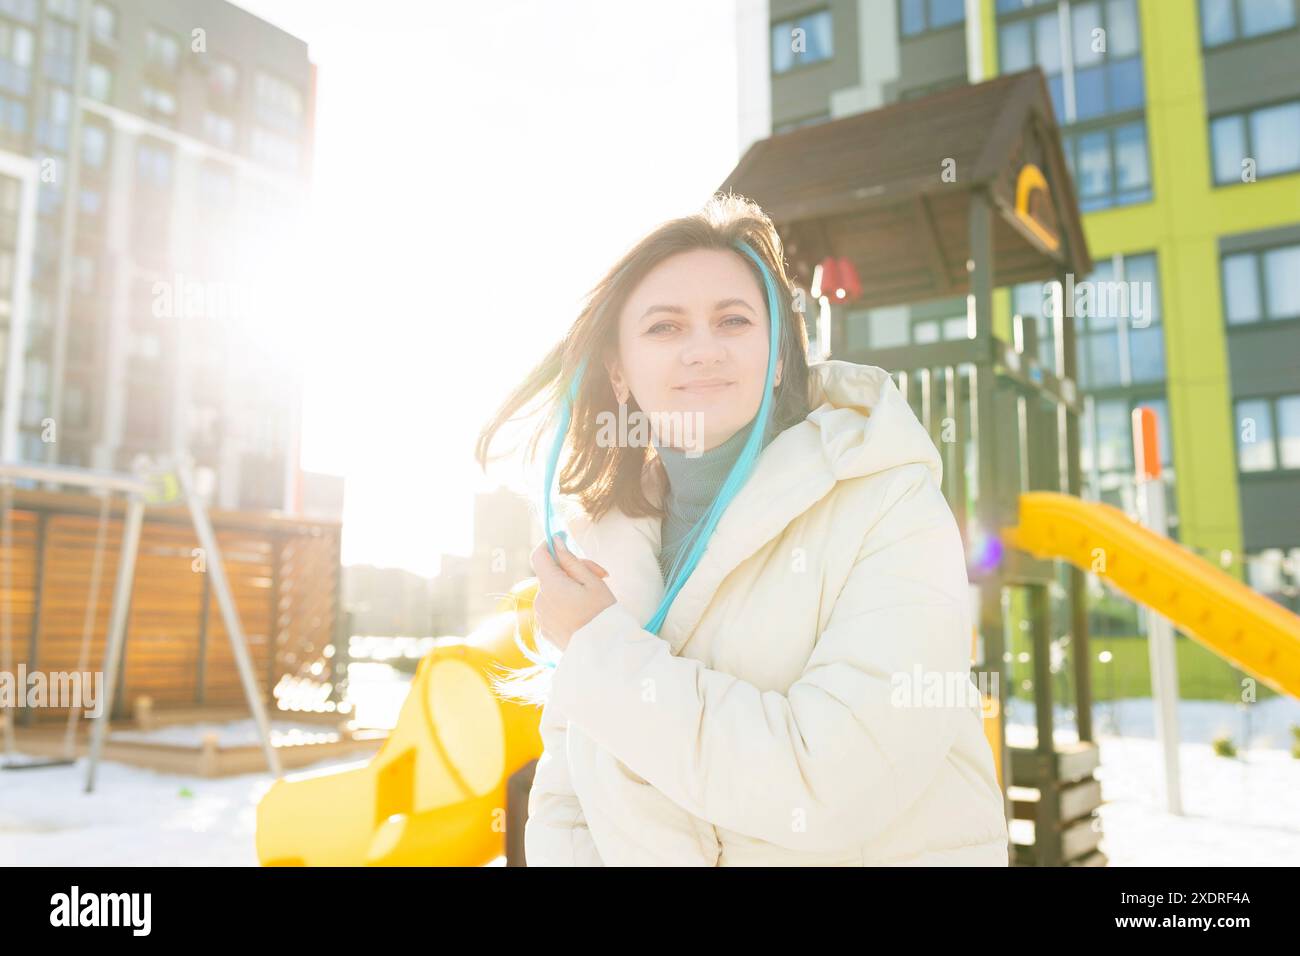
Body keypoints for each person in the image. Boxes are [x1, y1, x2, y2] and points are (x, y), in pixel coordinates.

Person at [475, 192, 1009, 866]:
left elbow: (826, 784)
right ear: (618, 372)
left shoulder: (889, 501)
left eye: (733, 320)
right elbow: (566, 803)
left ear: (780, 354)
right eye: (665, 327)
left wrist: (599, 648)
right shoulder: (605, 546)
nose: (703, 350)